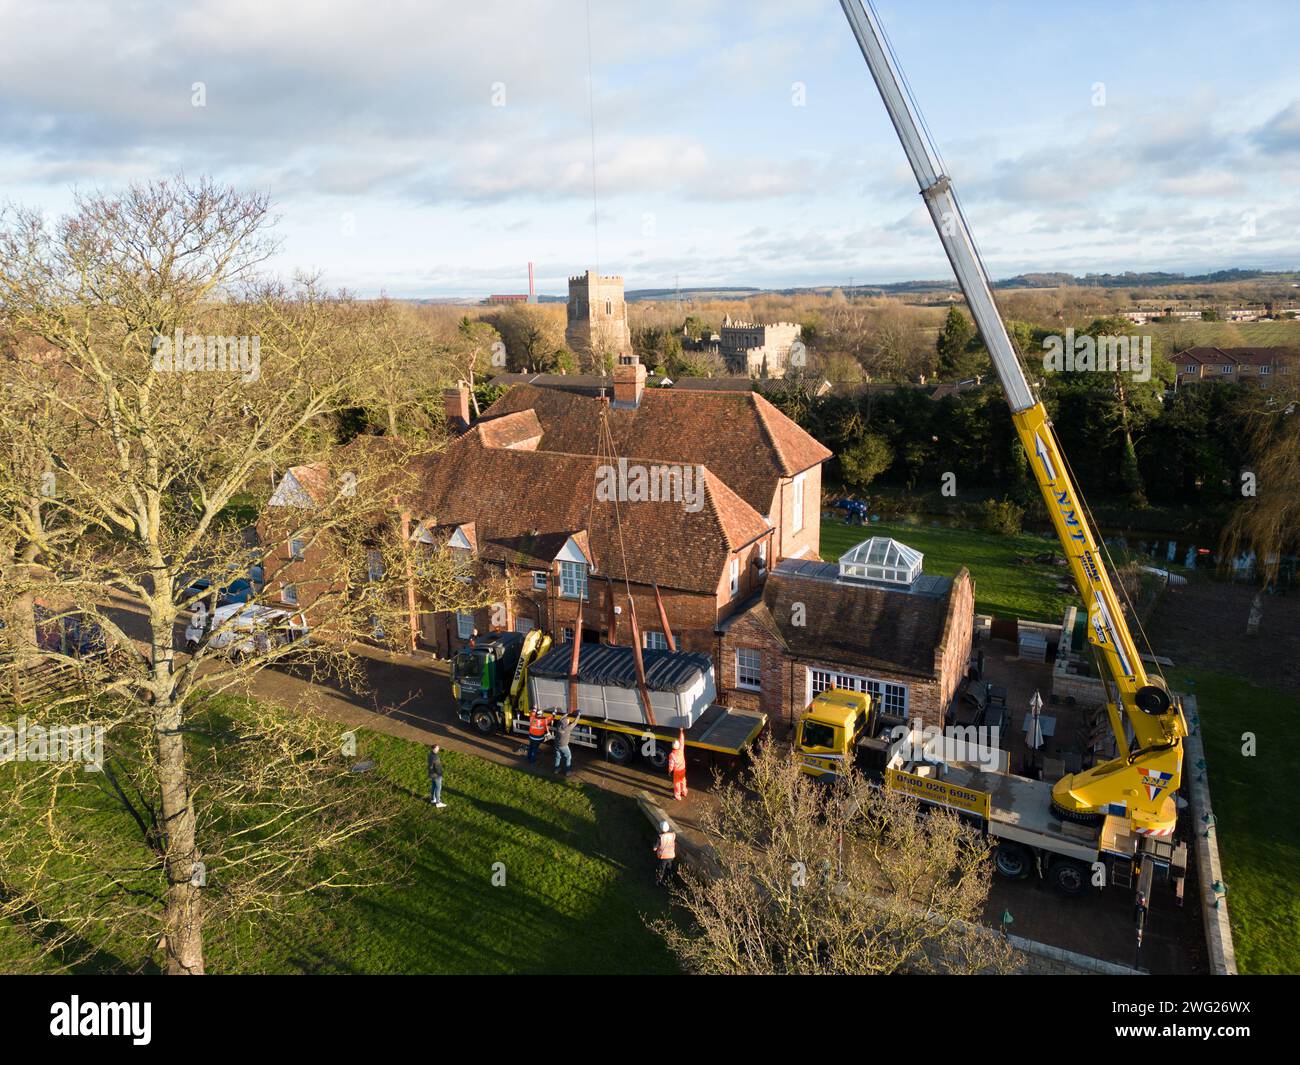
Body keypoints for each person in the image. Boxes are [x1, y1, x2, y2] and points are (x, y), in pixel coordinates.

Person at [552, 710, 581, 775]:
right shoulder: (568, 728)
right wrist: (578, 715)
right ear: (565, 723)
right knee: (568, 756)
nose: (568, 721)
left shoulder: (558, 726)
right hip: (563, 746)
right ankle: (568, 771)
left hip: (556, 744)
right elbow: (574, 723)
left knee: (558, 756)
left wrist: (566, 713)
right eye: (567, 720)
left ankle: (556, 770)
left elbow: (561, 719)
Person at [653, 820, 676, 886]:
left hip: (663, 856)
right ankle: (671, 881)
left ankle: (658, 882)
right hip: (671, 855)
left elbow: (654, 848)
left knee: (661, 869)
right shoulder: (673, 835)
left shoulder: (660, 837)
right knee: (670, 869)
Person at [427, 744, 446, 808]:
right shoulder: (436, 757)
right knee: (438, 788)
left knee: (433, 786)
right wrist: (440, 774)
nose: (438, 749)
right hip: (436, 775)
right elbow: (437, 767)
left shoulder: (430, 754)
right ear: (434, 749)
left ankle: (432, 799)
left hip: (431, 773)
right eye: (437, 748)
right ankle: (438, 802)